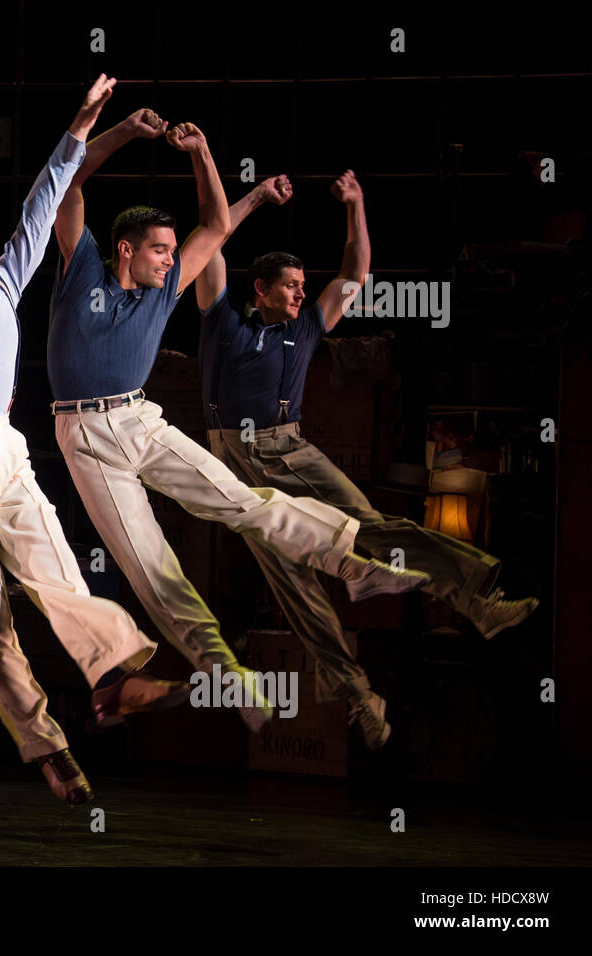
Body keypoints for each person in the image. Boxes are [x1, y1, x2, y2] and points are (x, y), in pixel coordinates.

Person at [0, 32, 195, 807]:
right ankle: (46, 745)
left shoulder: (5, 278)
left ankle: (110, 682)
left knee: (57, 570)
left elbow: (48, 193)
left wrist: (86, 123)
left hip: (7, 449)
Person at [47, 113, 427, 735]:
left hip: (140, 420)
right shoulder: (81, 267)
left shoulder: (164, 291)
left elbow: (217, 226)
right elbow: (68, 180)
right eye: (161, 251)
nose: (172, 262)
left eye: (175, 252)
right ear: (126, 249)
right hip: (85, 440)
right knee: (153, 570)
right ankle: (228, 677)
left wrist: (201, 153)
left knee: (240, 501)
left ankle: (353, 566)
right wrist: (121, 134)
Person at [195, 171, 539, 749]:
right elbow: (212, 238)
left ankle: (475, 600)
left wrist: (355, 205)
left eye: (305, 284)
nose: (302, 293)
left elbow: (354, 274)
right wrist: (255, 196)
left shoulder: (308, 326)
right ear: (259, 289)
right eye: (290, 286)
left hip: (285, 451)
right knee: (295, 589)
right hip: (232, 474)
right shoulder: (221, 321)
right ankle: (358, 696)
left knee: (372, 530)